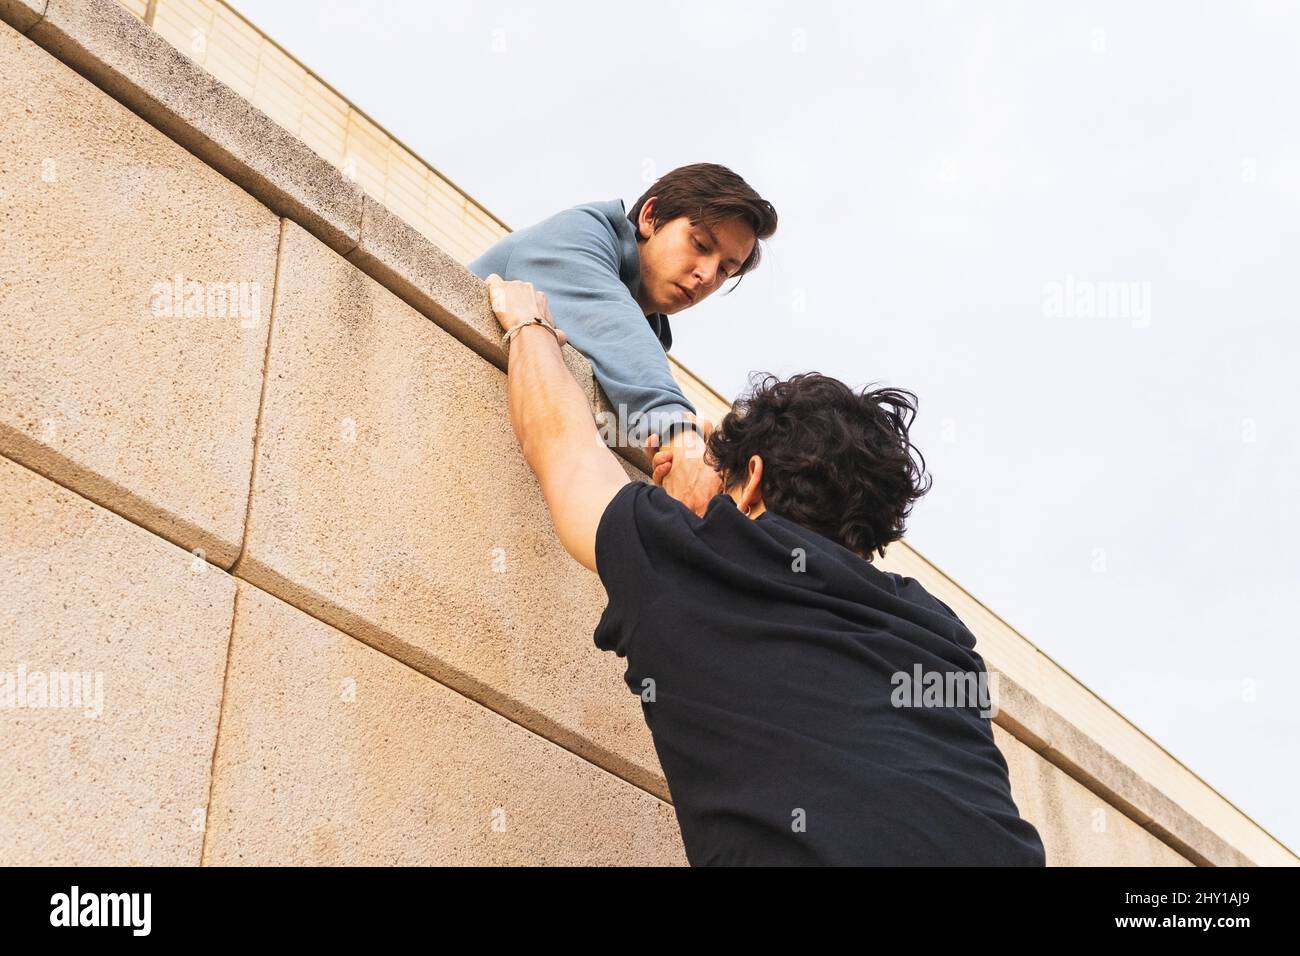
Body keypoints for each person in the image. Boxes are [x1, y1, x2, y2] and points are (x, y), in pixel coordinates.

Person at [482, 275, 1046, 867]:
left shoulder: (703, 561)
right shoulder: (943, 634)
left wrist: (530, 324)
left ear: (751, 478)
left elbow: (561, 445)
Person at [468, 163, 777, 516]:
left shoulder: (649, 345)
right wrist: (679, 433)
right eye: (700, 244)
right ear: (651, 216)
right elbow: (612, 326)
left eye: (725, 269)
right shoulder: (579, 234)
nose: (707, 275)